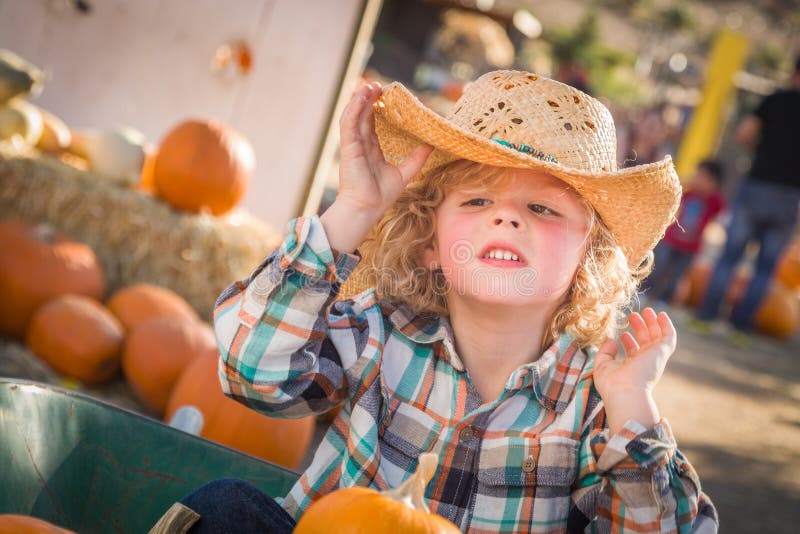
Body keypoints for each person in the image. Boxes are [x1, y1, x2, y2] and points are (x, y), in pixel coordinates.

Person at [152, 71, 718, 533]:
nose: (507, 216)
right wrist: (353, 209)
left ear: (586, 261)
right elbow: (250, 372)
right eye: (476, 199)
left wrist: (633, 405)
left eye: (543, 209)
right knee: (225, 509)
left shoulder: (595, 397)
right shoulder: (382, 330)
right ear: (429, 245)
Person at [692, 57, 800, 340]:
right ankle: (741, 327)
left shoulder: (775, 100)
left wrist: (764, 150)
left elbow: (745, 134)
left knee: (729, 256)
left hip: (758, 185)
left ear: (793, 72)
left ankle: (707, 316)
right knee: (766, 267)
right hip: (790, 195)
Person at [643, 160, 726, 304]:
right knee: (657, 266)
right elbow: (672, 191)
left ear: (713, 183)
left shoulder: (714, 201)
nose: (697, 179)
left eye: (702, 177)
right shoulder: (687, 192)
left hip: (690, 247)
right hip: (670, 239)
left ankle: (664, 299)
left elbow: (722, 217)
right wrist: (685, 182)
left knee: (676, 275)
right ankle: (645, 291)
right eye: (697, 175)